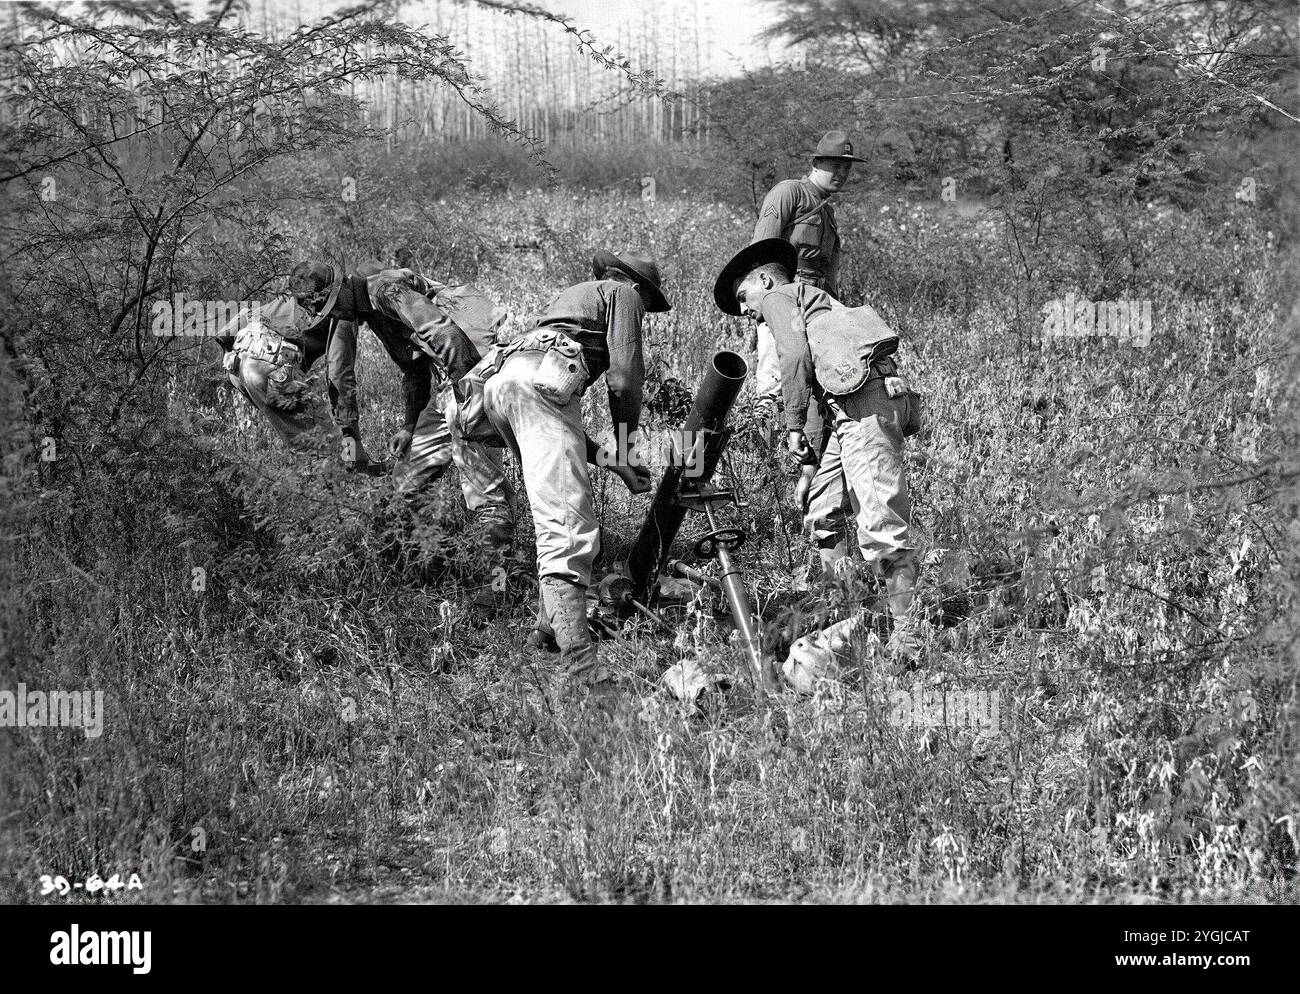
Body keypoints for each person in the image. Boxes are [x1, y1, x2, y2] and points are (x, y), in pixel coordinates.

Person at [713, 237, 922, 666]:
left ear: (765, 280)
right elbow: (815, 388)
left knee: (881, 527)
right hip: (853, 409)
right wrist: (808, 467)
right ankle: (850, 615)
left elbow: (792, 361)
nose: (746, 311)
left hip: (864, 408)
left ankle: (908, 642)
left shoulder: (780, 298)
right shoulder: (816, 306)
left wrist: (790, 428)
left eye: (744, 298)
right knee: (822, 509)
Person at [476, 249, 664, 691]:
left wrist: (614, 465)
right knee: (566, 525)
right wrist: (627, 443)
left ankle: (546, 632)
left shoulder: (574, 299)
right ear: (638, 288)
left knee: (551, 511)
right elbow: (624, 377)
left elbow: (558, 425)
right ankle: (584, 671)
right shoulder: (624, 294)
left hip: (501, 386)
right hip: (536, 389)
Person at [289, 261, 514, 553]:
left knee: (484, 489)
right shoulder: (370, 310)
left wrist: (467, 399)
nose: (334, 317)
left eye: (331, 309)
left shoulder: (385, 291)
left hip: (475, 376)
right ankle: (424, 561)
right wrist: (410, 426)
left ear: (340, 291)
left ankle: (499, 583)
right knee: (404, 483)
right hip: (453, 387)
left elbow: (446, 334)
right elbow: (414, 368)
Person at [751, 130, 868, 573]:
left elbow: (828, 274)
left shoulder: (829, 212)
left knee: (821, 401)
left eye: (846, 166)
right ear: (816, 162)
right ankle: (770, 487)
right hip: (783, 310)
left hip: (818, 315)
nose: (840, 172)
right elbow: (761, 253)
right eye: (834, 164)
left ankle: (811, 483)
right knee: (777, 394)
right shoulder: (790, 193)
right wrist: (765, 311)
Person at [217, 290, 375, 472]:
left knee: (304, 446)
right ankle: (351, 478)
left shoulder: (290, 299)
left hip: (237, 366)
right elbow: (340, 378)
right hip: (272, 365)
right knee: (324, 444)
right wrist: (354, 442)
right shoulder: (343, 312)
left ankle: (314, 490)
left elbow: (223, 335)